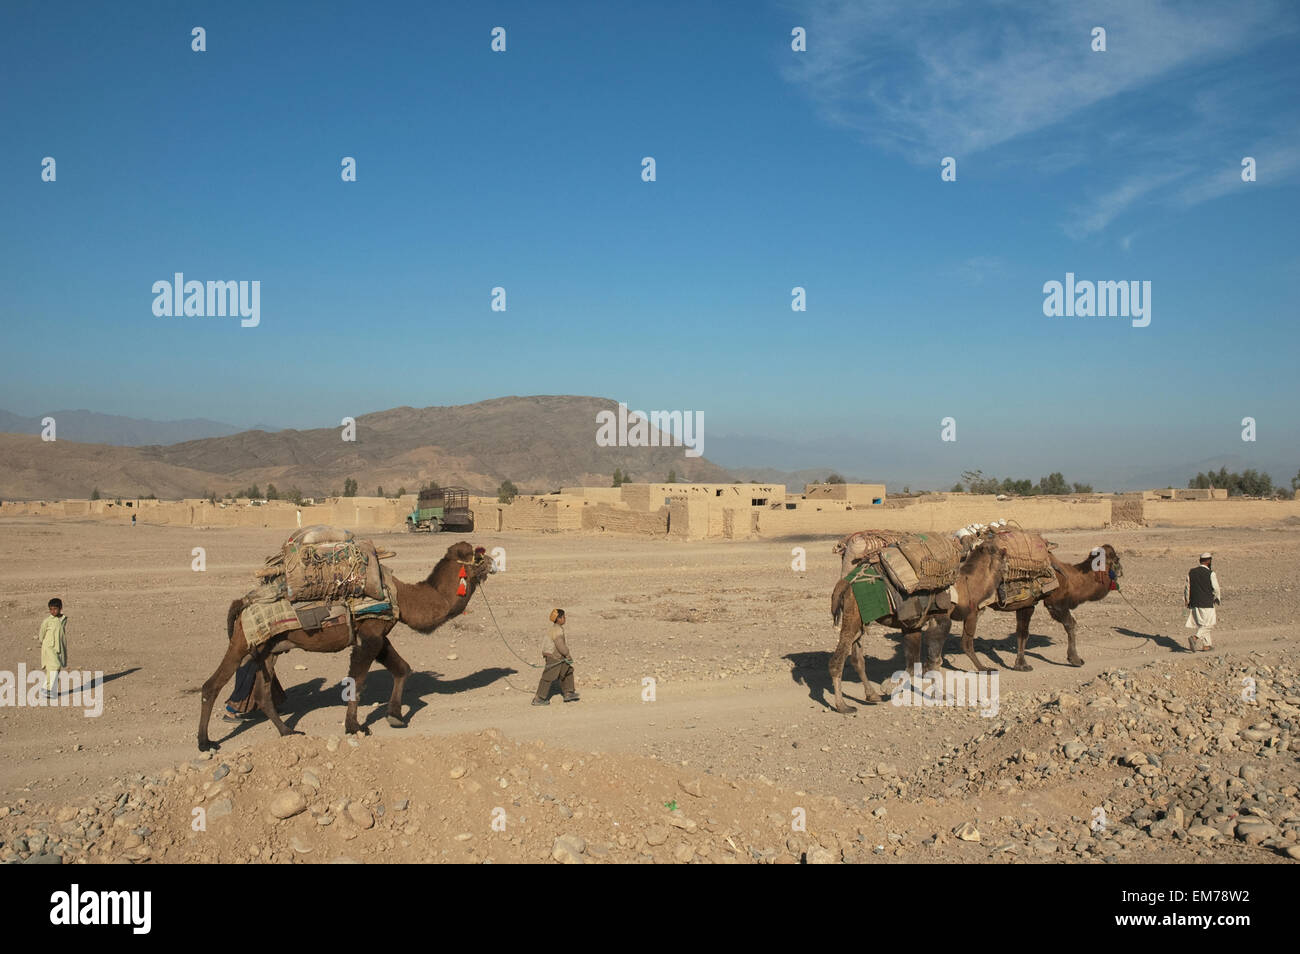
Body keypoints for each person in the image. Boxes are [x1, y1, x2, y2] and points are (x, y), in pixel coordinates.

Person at [533, 608, 579, 705]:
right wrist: (567, 655)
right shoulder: (557, 630)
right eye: (563, 617)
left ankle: (568, 693)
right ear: (559, 619)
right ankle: (539, 698)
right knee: (548, 676)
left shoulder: (554, 629)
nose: (564, 619)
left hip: (557, 656)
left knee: (567, 671)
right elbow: (560, 645)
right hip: (554, 656)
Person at [1185, 552, 1221, 651]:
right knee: (1210, 624)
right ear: (1209, 561)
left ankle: (1206, 645)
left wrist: (1187, 600)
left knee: (1203, 625)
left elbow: (1187, 588)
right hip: (1207, 603)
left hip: (1194, 602)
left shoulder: (1191, 572)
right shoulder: (1211, 573)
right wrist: (1217, 598)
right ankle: (1194, 638)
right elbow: (1216, 588)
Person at [37, 598, 68, 699]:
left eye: (55, 609)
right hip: (49, 647)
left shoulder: (63, 619)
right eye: (50, 609)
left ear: (60, 608)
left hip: (59, 648)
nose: (53, 611)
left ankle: (50, 690)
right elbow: (42, 633)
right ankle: (46, 689)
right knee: (54, 666)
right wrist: (44, 643)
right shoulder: (47, 621)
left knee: (55, 669)